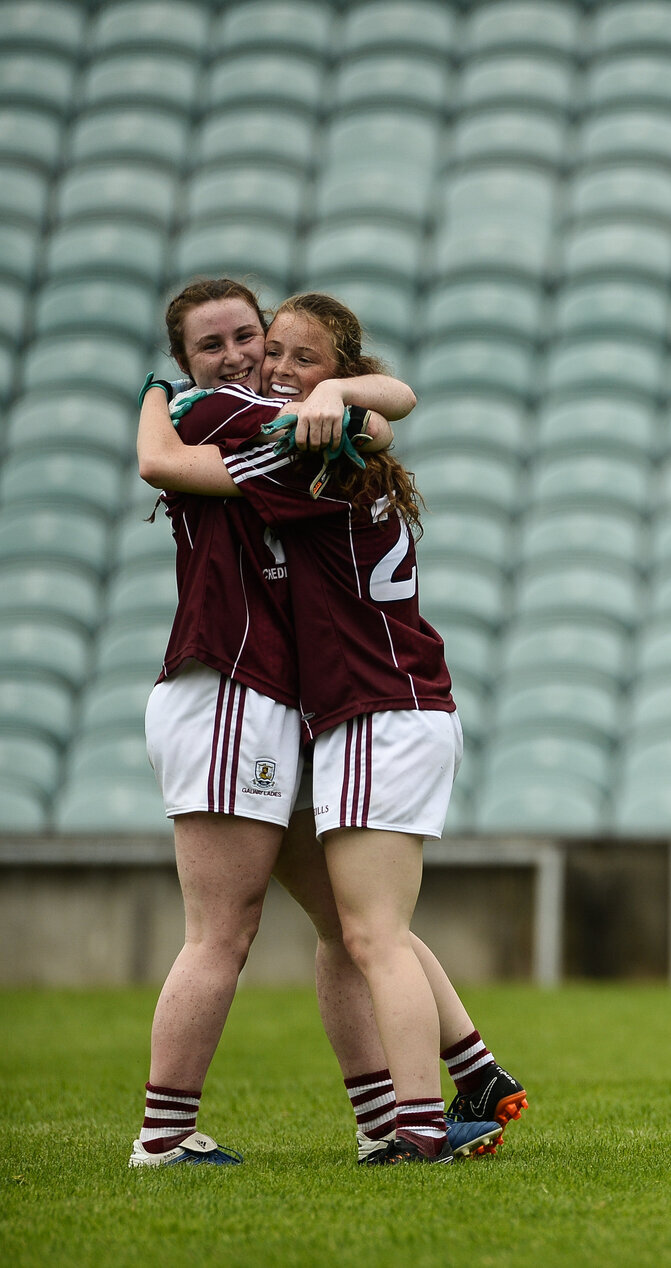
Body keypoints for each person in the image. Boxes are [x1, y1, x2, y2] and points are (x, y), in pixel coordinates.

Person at [130, 280, 523, 1166]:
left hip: (301, 703)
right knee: (240, 932)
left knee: (351, 928)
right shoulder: (244, 411)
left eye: (259, 342)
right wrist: (336, 393)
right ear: (189, 361)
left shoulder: (263, 415)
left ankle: (402, 1118)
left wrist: (168, 394)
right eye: (220, 347)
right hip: (241, 690)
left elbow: (380, 415)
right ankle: (168, 1138)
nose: (249, 360)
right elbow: (382, 414)